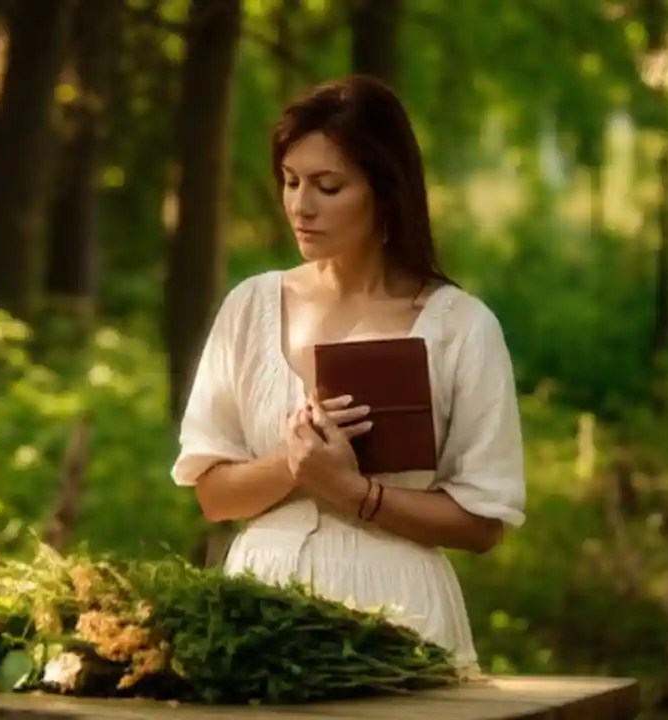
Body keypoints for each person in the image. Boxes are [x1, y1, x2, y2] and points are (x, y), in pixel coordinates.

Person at [169, 74, 526, 677]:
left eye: (328, 186)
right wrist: (293, 462)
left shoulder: (460, 326)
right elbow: (213, 495)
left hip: (399, 615)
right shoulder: (249, 307)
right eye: (291, 182)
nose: (301, 206)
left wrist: (355, 493)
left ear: (384, 192)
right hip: (259, 611)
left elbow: (483, 524)